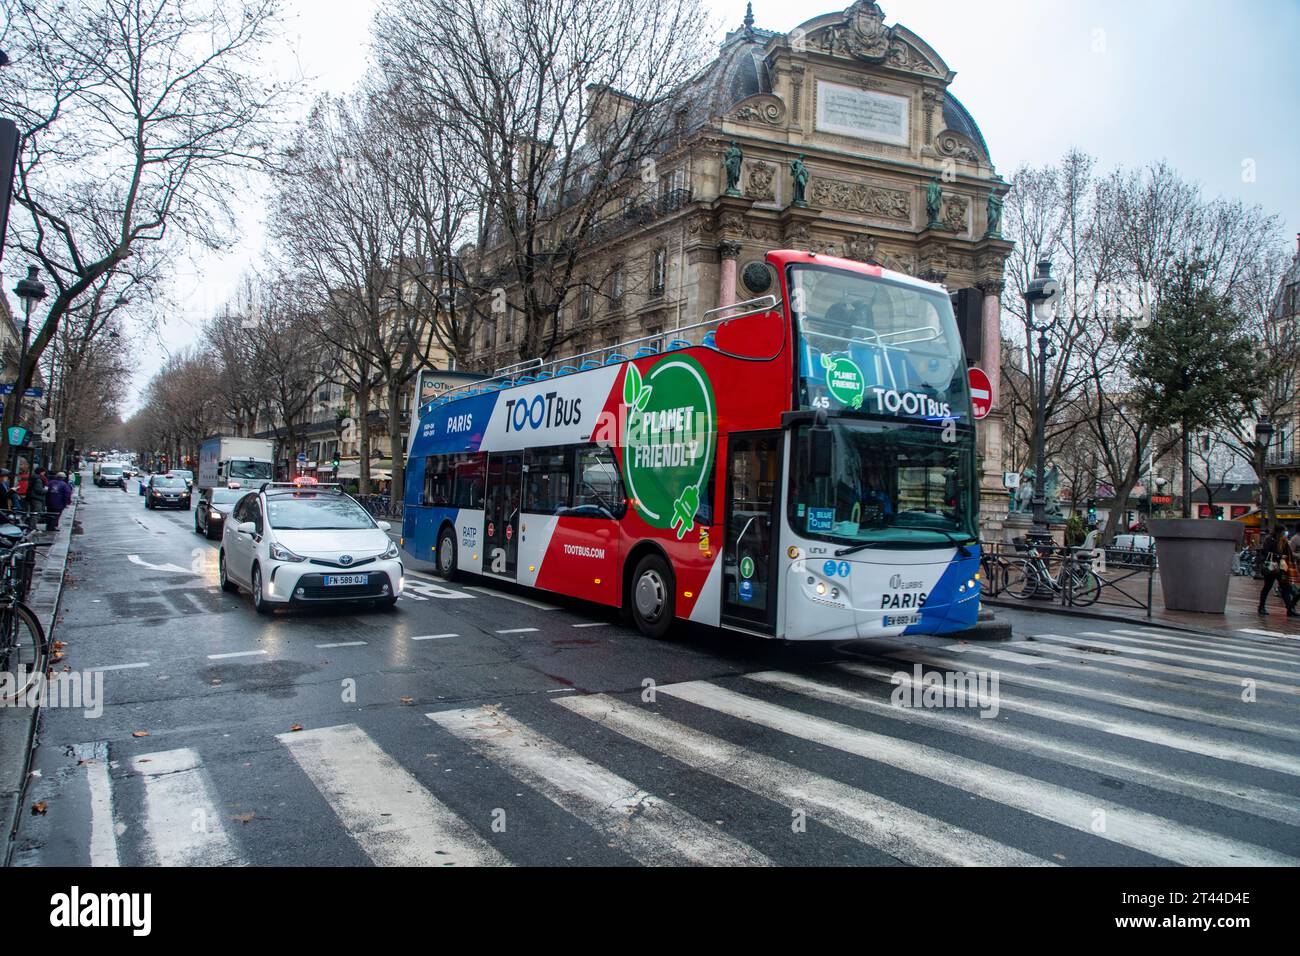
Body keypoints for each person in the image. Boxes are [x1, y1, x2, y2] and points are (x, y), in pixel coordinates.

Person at [1257, 524, 1298, 616]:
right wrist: (1278, 556)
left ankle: (1290, 609)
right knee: (1267, 587)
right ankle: (1261, 607)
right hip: (1272, 566)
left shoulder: (1284, 541)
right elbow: (1265, 551)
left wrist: (1288, 561)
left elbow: (1288, 553)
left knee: (1285, 588)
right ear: (1279, 532)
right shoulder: (1269, 540)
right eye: (1283, 532)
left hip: (1282, 566)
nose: (1285, 534)